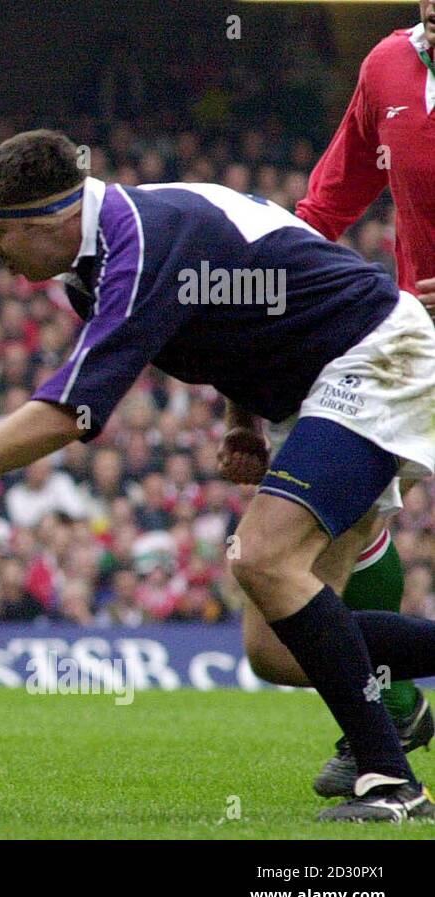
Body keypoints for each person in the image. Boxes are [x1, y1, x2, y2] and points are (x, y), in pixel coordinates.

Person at [0, 129, 435, 822]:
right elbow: (234, 324)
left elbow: (69, 413)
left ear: (49, 220)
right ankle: (385, 753)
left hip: (373, 356)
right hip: (311, 386)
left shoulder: (145, 243)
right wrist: (239, 422)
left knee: (263, 557)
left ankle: (390, 782)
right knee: (276, 651)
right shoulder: (98, 263)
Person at [249, 0, 435, 797]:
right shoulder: (390, 64)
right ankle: (387, 710)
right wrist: (272, 272)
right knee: (358, 511)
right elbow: (334, 193)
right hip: (416, 333)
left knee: (353, 514)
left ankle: (386, 713)